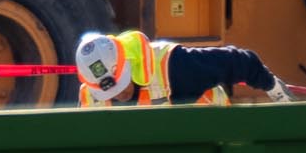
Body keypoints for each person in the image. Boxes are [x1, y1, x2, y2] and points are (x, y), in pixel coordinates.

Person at [76, 29, 285, 106]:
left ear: (129, 61)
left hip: (212, 134)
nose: (119, 94)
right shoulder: (91, 97)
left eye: (121, 84)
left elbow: (238, 61)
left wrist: (273, 87)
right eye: (110, 91)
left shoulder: (174, 66)